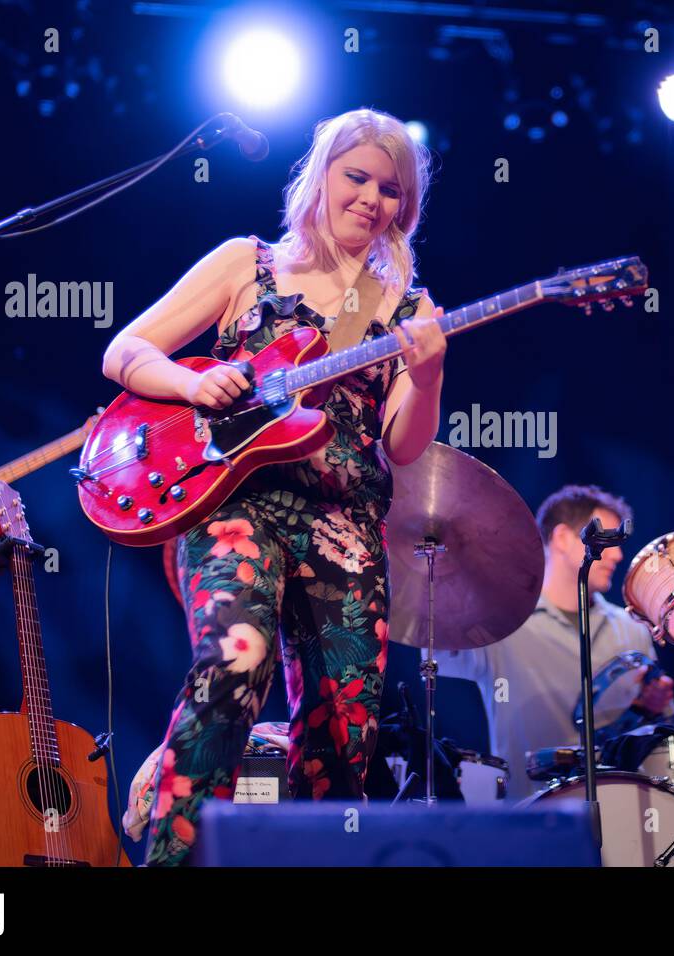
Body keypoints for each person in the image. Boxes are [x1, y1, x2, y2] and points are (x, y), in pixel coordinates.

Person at [102, 108, 447, 865]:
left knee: (344, 728)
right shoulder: (246, 264)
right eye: (356, 176)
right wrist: (194, 386)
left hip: (346, 523)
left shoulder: (407, 310)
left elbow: (404, 444)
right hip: (237, 505)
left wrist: (429, 372)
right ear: (321, 175)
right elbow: (125, 351)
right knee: (233, 664)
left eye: (390, 189)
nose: (370, 198)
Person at [438, 484, 674, 800]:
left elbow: (660, 729)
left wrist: (652, 706)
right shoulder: (503, 622)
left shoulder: (634, 628)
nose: (618, 553)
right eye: (606, 538)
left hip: (621, 817)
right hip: (529, 819)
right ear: (563, 538)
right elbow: (435, 646)